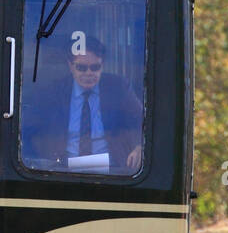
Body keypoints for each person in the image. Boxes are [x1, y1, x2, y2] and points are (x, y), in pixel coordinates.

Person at [23, 35, 144, 172]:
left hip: (113, 170)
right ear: (70, 65)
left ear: (102, 65)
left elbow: (142, 121)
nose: (89, 73)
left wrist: (140, 145)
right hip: (62, 170)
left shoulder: (118, 88)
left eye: (95, 67)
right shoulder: (53, 92)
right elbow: (29, 129)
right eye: (81, 67)